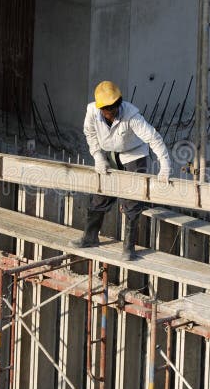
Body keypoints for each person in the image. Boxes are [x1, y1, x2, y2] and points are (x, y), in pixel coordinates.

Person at [70, 80, 172, 260]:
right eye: (107, 109)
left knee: (131, 201)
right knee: (100, 195)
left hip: (134, 154)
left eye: (114, 108)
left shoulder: (132, 116)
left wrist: (164, 165)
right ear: (101, 108)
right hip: (111, 153)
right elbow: (90, 135)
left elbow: (153, 138)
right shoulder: (92, 112)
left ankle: (128, 248)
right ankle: (90, 237)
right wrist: (98, 156)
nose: (111, 113)